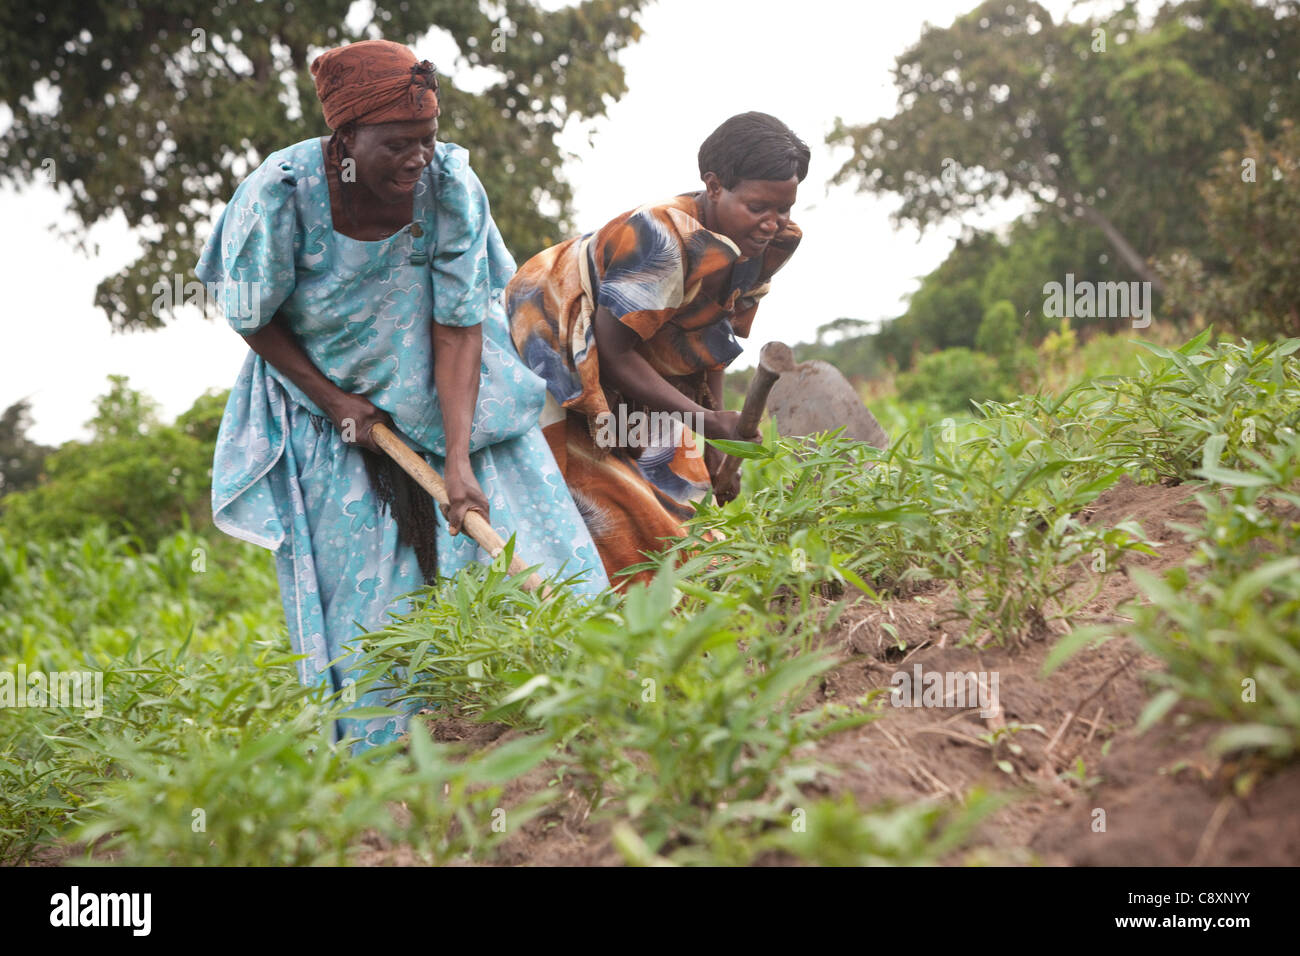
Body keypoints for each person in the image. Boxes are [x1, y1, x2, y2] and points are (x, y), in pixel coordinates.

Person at [196, 39, 608, 750]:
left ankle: (568, 712)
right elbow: (251, 317)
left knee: (526, 550)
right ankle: (388, 761)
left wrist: (456, 462)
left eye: (429, 137)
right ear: (345, 137)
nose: (418, 157)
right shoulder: (281, 194)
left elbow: (458, 326)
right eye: (398, 144)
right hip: (334, 415)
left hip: (454, 397)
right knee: (375, 602)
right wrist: (333, 400)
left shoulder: (448, 186)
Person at [506, 112, 809, 584]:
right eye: (757, 207)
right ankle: (608, 612)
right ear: (713, 186)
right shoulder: (660, 238)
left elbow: (711, 342)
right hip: (561, 336)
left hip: (646, 349)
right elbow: (614, 350)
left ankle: (690, 608)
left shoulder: (764, 246)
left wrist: (714, 434)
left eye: (784, 208)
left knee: (688, 500)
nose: (772, 223)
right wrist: (705, 422)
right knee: (607, 488)